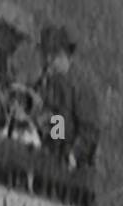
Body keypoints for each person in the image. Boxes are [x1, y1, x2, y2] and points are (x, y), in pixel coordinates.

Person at [36, 24, 100, 168]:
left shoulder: (80, 89)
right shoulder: (41, 85)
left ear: (67, 56)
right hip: (41, 160)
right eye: (46, 54)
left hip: (71, 169)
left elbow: (89, 130)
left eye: (55, 55)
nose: (49, 60)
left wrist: (74, 154)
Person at [0, 1, 40, 106]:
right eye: (17, 38)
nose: (17, 45)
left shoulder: (3, 56)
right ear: (4, 30)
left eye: (20, 40)